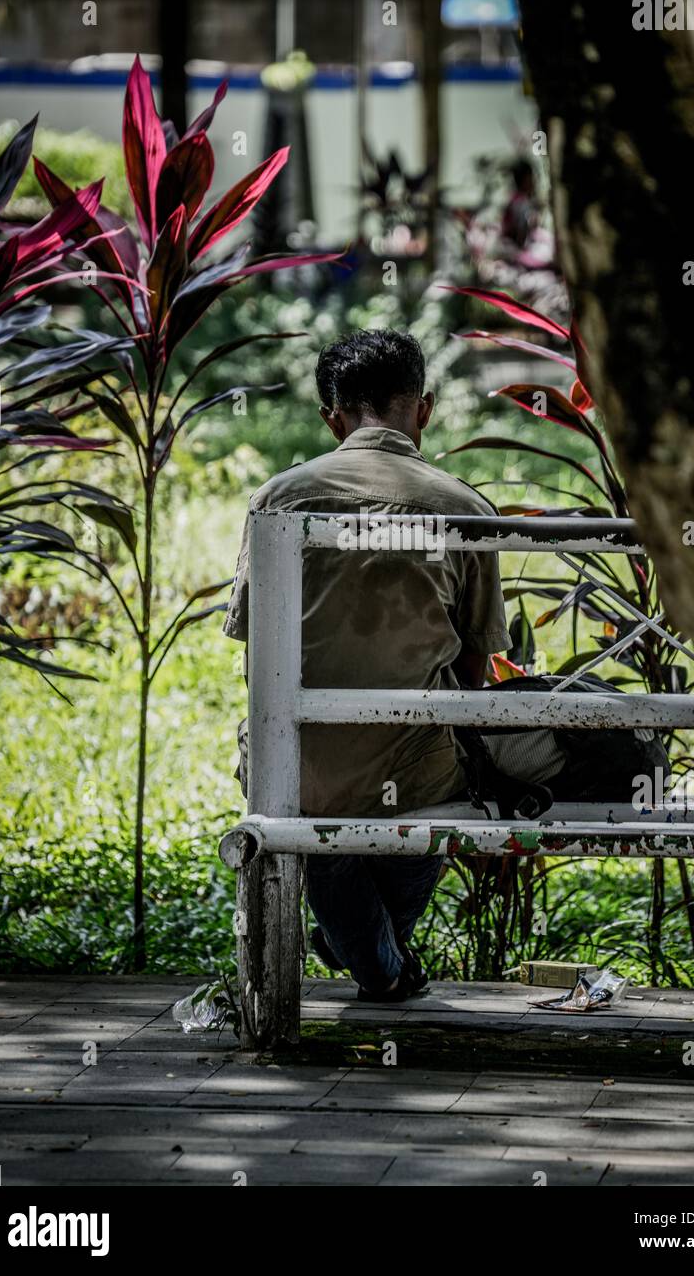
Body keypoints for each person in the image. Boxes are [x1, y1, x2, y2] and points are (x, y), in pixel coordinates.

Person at [223, 329, 510, 1001]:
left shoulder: (279, 499)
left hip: (301, 761)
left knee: (318, 800)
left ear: (333, 417)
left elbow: (252, 649)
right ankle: (372, 958)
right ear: (425, 410)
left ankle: (365, 951)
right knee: (438, 783)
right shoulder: (465, 507)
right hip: (416, 766)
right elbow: (476, 669)